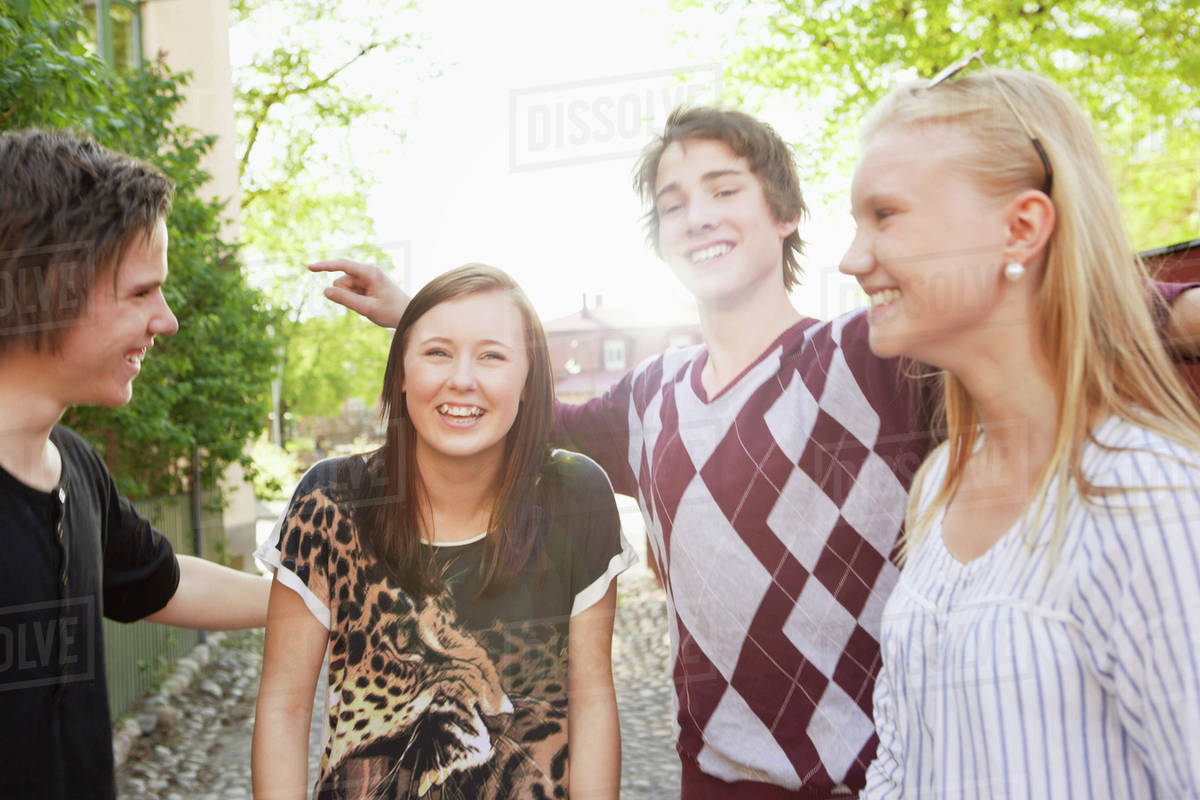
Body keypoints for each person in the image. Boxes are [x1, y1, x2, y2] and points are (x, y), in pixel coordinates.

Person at [311, 107, 1200, 798]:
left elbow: (1042, 316)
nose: (697, 214)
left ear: (785, 214)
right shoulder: (649, 398)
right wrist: (419, 317)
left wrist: (1177, 310)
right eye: (671, 203)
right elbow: (527, 411)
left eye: (725, 187)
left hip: (882, 774)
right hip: (719, 777)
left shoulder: (872, 355)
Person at [837, 58, 1200, 798]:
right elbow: (900, 765)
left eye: (887, 215)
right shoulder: (942, 480)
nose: (852, 259)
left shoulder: (1151, 496)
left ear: (1022, 228)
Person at [252, 264, 633, 799]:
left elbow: (592, 698)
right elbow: (283, 706)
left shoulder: (575, 496)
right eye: (436, 352)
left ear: (528, 380)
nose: (462, 378)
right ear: (402, 371)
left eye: (493, 356)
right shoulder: (331, 498)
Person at [0, 129, 271, 800]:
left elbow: (162, 581)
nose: (167, 320)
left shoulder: (76, 468)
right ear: (51, 284)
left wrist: (327, 601)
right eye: (142, 293)